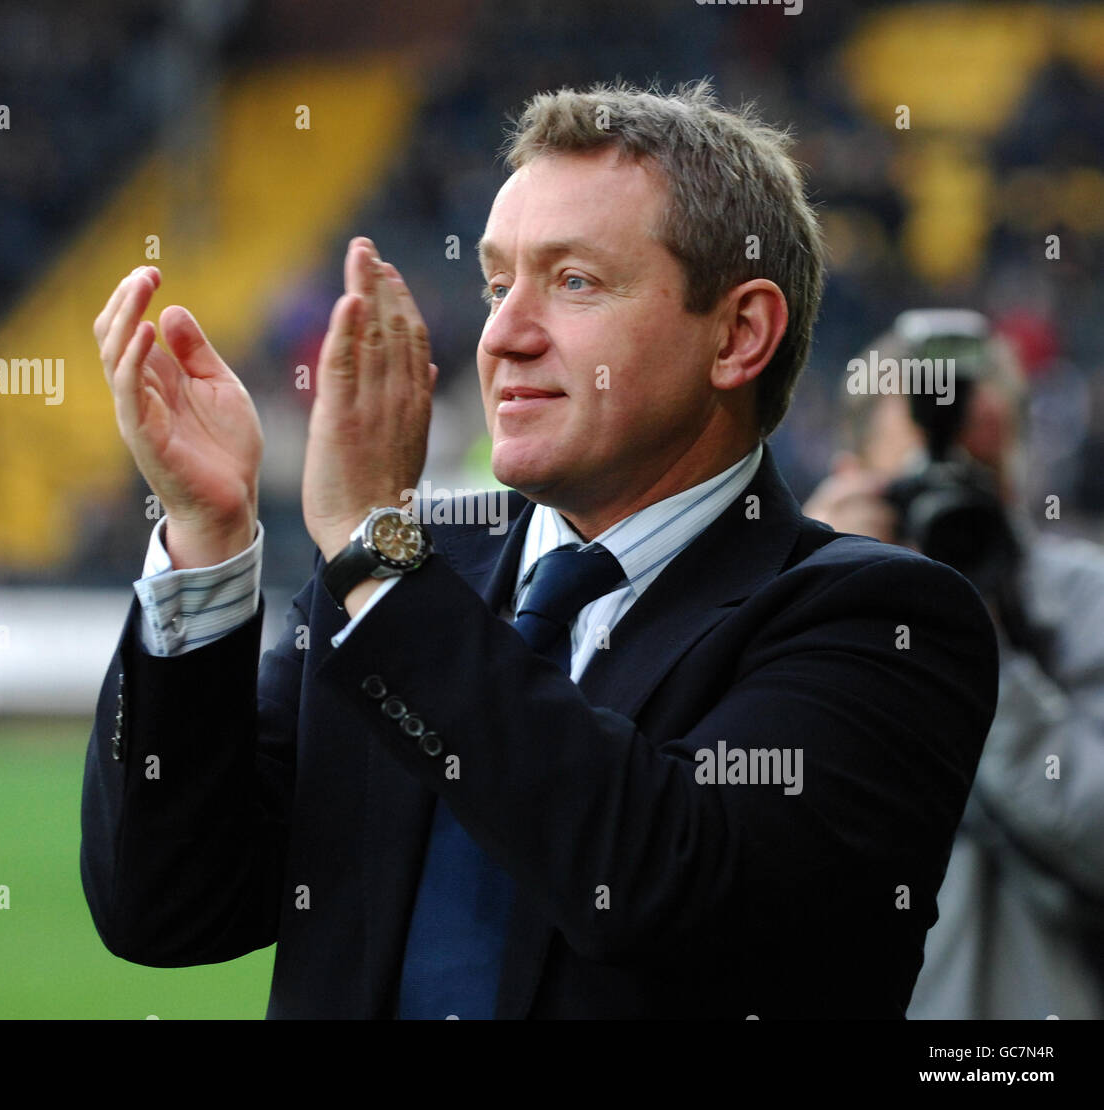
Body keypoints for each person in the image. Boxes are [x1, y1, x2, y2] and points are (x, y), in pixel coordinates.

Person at [80, 80, 998, 1018]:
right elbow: (168, 907)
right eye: (495, 283)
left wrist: (379, 559)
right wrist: (207, 537)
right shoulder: (403, 575)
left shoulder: (883, 622)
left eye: (573, 282)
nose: (503, 335)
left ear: (739, 333)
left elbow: (659, 885)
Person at [804, 311, 1104, 1019]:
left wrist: (969, 637)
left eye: (981, 474)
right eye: (926, 479)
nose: (954, 503)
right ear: (857, 480)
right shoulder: (814, 604)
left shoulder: (1084, 599)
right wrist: (814, 598)